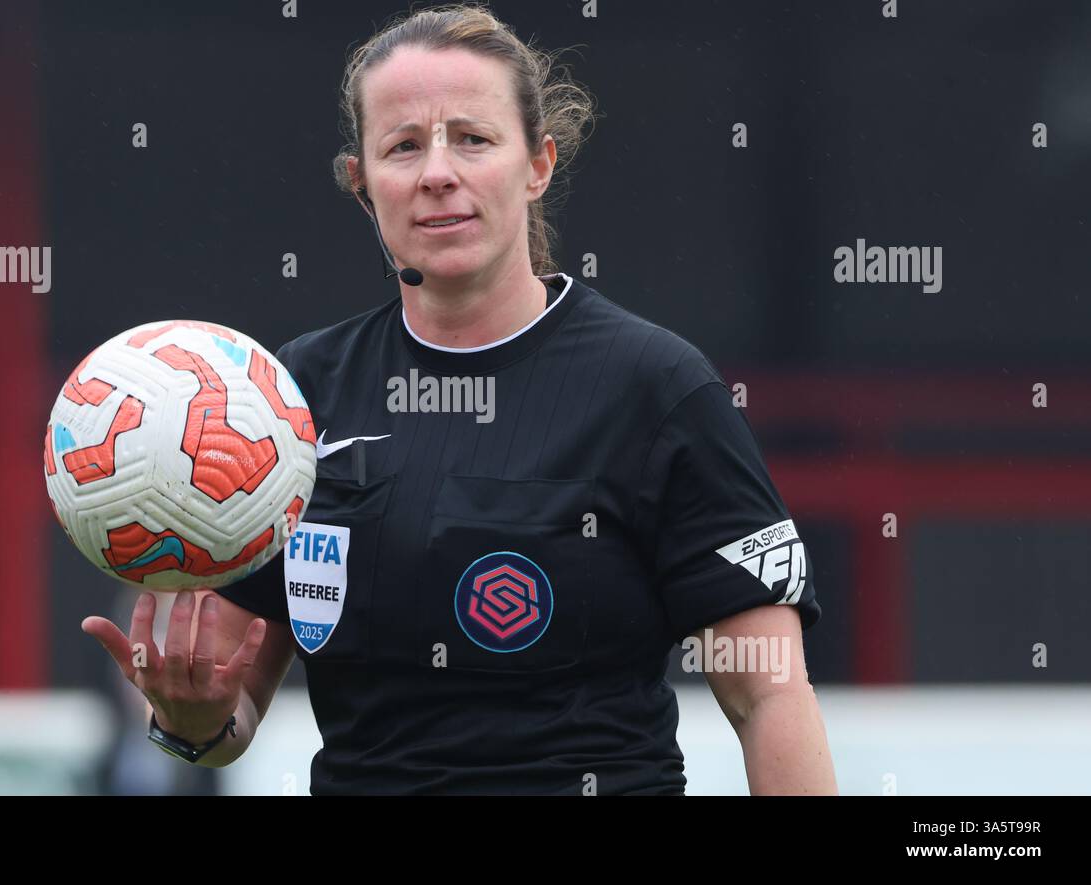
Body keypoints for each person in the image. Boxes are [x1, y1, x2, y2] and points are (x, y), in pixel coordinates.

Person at [83, 2, 837, 795]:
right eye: (403, 146)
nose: (438, 171)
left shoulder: (656, 388)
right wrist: (190, 718)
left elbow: (769, 695)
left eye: (473, 139)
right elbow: (227, 725)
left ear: (537, 163)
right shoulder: (292, 398)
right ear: (362, 183)